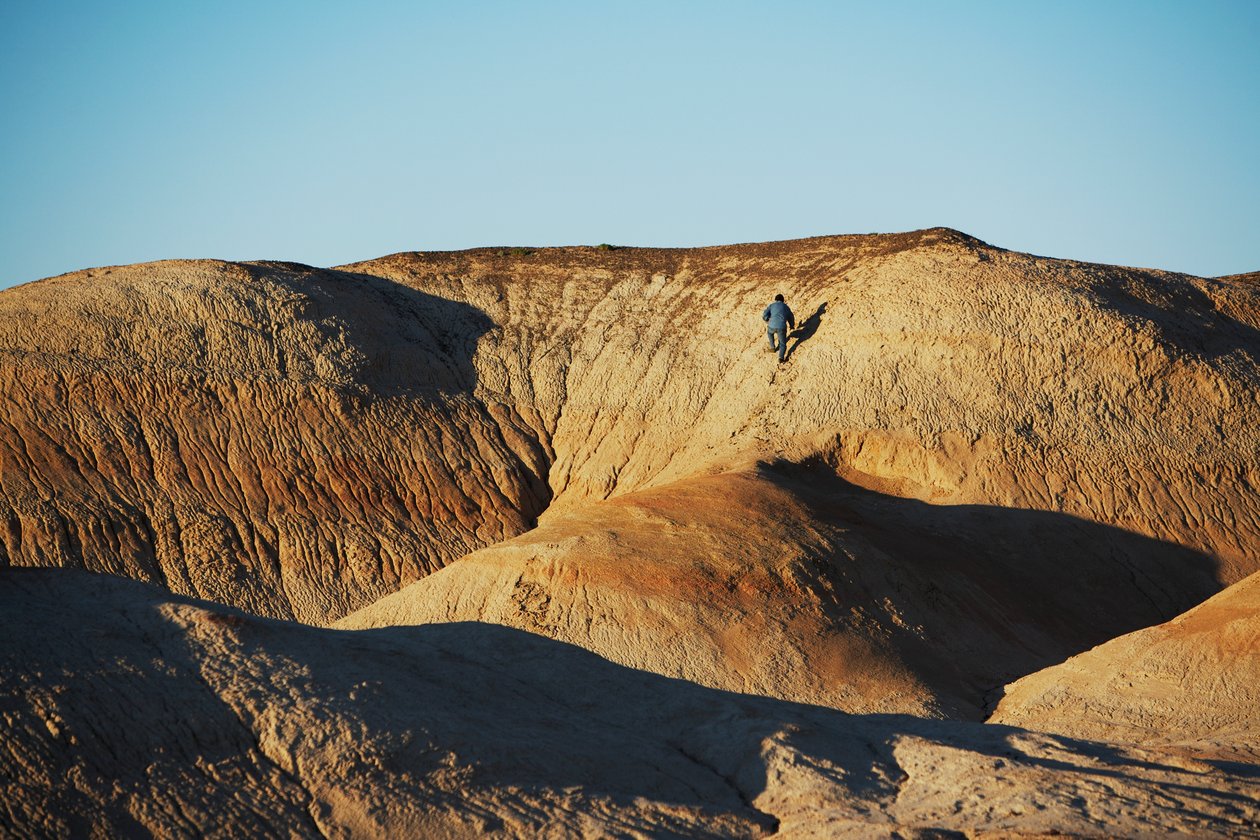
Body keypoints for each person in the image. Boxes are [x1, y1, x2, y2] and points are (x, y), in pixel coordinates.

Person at [762, 294, 795, 363]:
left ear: (775, 299)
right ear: (783, 300)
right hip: (781, 327)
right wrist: (791, 325)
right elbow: (791, 317)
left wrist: (766, 319)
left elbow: (765, 314)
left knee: (769, 333)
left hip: (772, 326)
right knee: (782, 343)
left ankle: (772, 347)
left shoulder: (772, 305)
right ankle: (781, 357)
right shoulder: (786, 307)